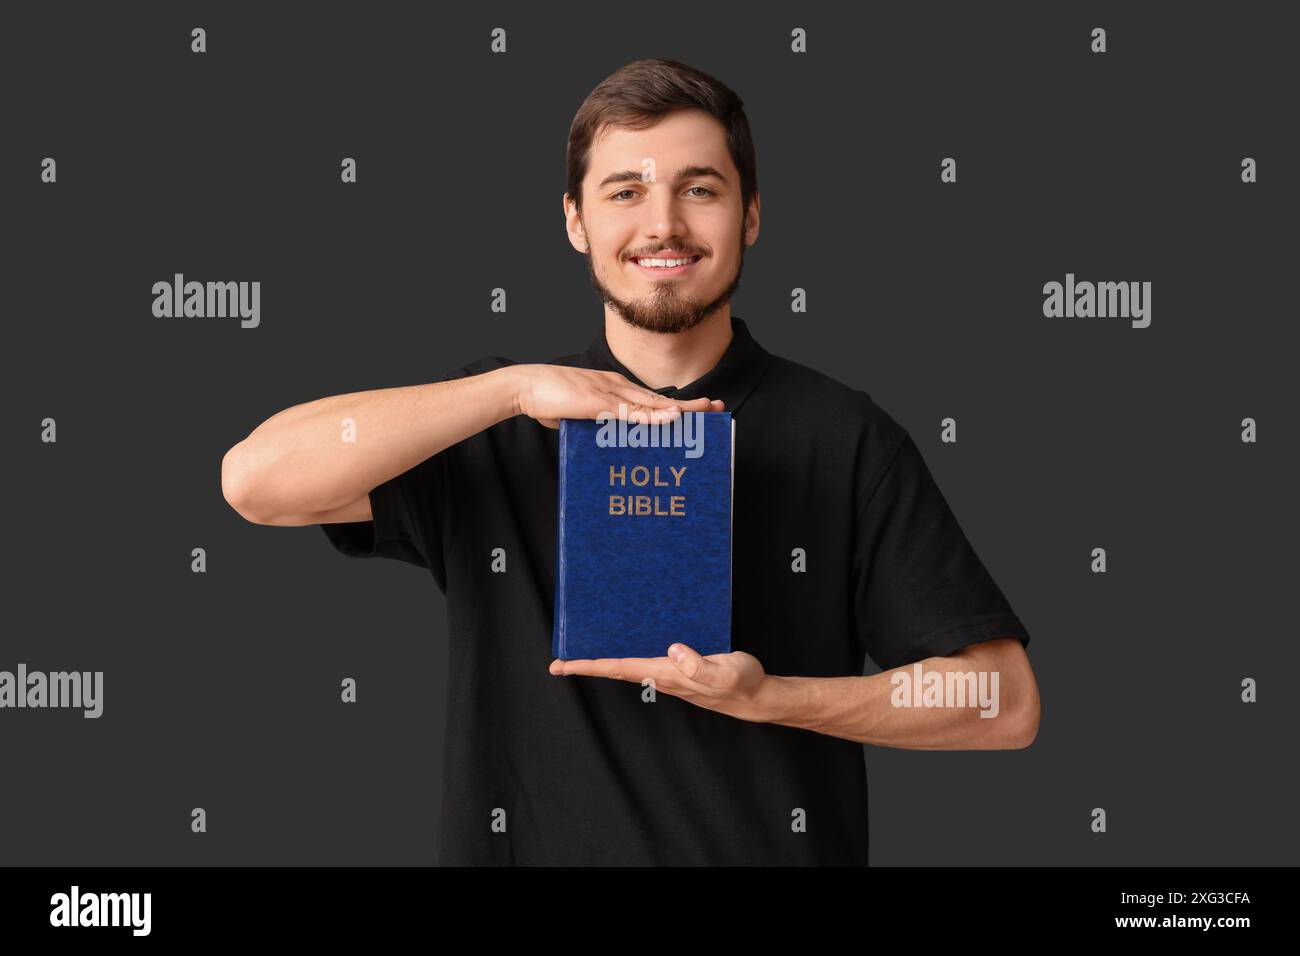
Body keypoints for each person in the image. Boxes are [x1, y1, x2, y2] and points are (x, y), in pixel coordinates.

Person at [221, 58, 1040, 865]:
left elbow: (1002, 704)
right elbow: (255, 480)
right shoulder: (493, 424)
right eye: (625, 192)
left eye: (700, 188)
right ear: (575, 219)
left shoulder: (847, 435)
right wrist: (510, 391)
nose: (663, 226)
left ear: (750, 215)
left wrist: (773, 698)